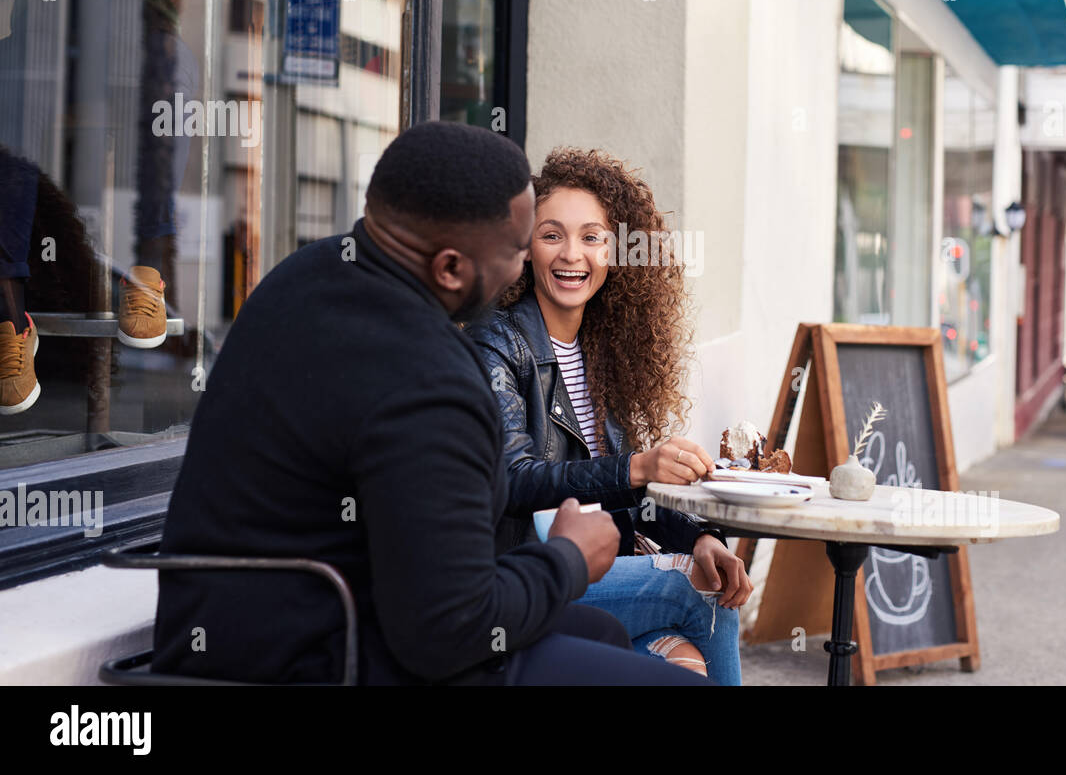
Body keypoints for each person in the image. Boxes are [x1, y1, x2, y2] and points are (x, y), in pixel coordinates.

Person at [152, 122, 710, 685]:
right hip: (316, 658)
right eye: (521, 249)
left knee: (601, 634)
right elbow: (449, 631)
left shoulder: (301, 277)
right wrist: (566, 559)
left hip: (228, 631)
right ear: (449, 268)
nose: (524, 269)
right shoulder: (432, 376)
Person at [470, 148, 753, 684]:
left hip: (599, 573)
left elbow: (626, 492)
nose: (570, 254)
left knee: (684, 663)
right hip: (524, 574)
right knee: (695, 587)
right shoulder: (497, 343)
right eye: (551, 234)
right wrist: (638, 469)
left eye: (591, 237)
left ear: (615, 252)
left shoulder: (604, 352)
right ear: (526, 248)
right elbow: (512, 479)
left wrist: (697, 538)